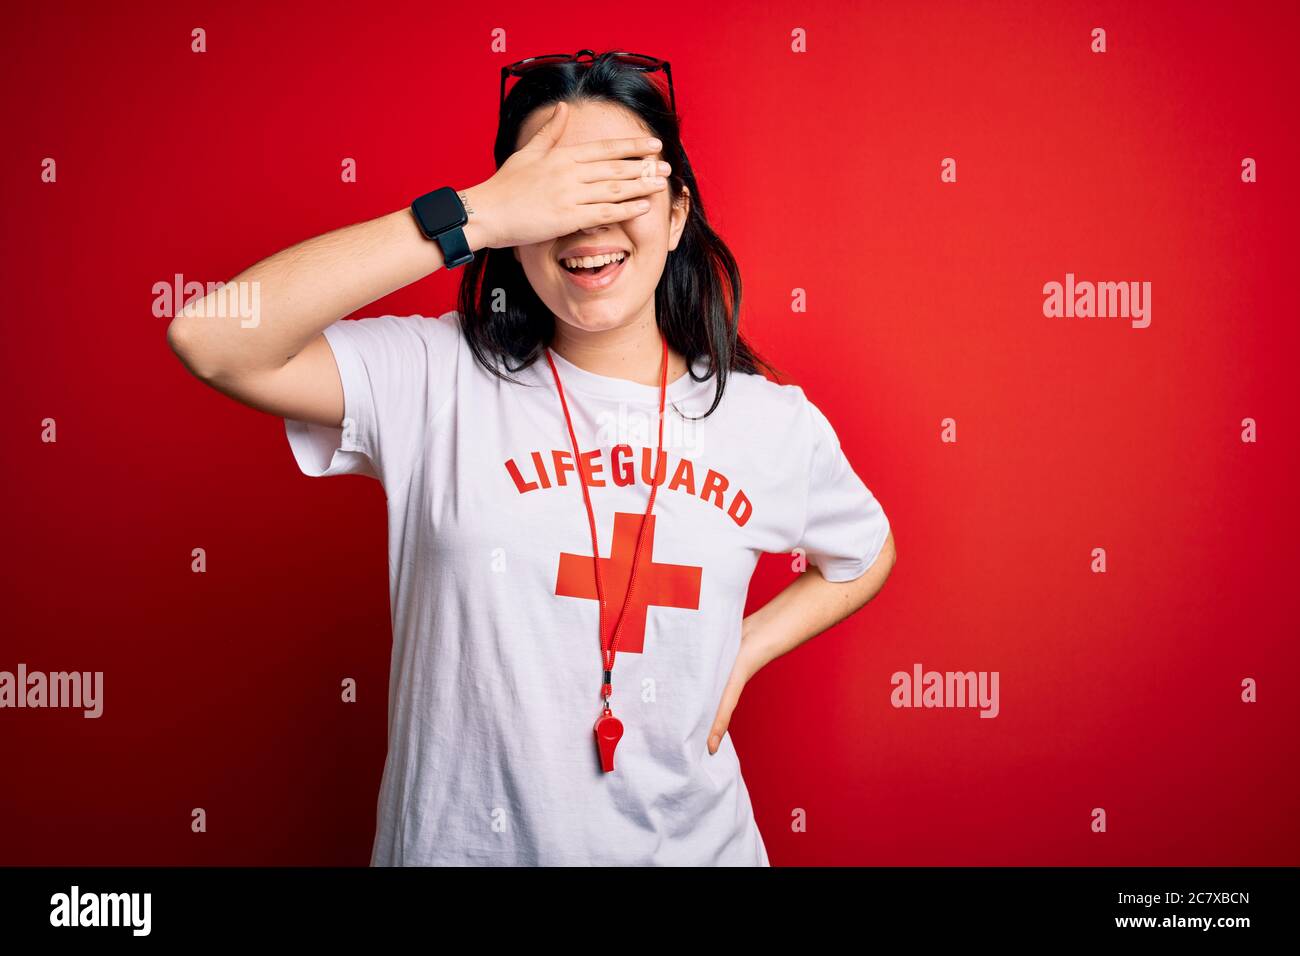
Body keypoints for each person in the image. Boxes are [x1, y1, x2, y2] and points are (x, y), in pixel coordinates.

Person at [166, 50, 896, 866]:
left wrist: (749, 646)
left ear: (678, 213)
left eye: (619, 186)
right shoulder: (433, 377)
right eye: (554, 193)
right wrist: (470, 216)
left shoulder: (768, 422)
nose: (587, 226)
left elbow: (863, 553)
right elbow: (213, 338)